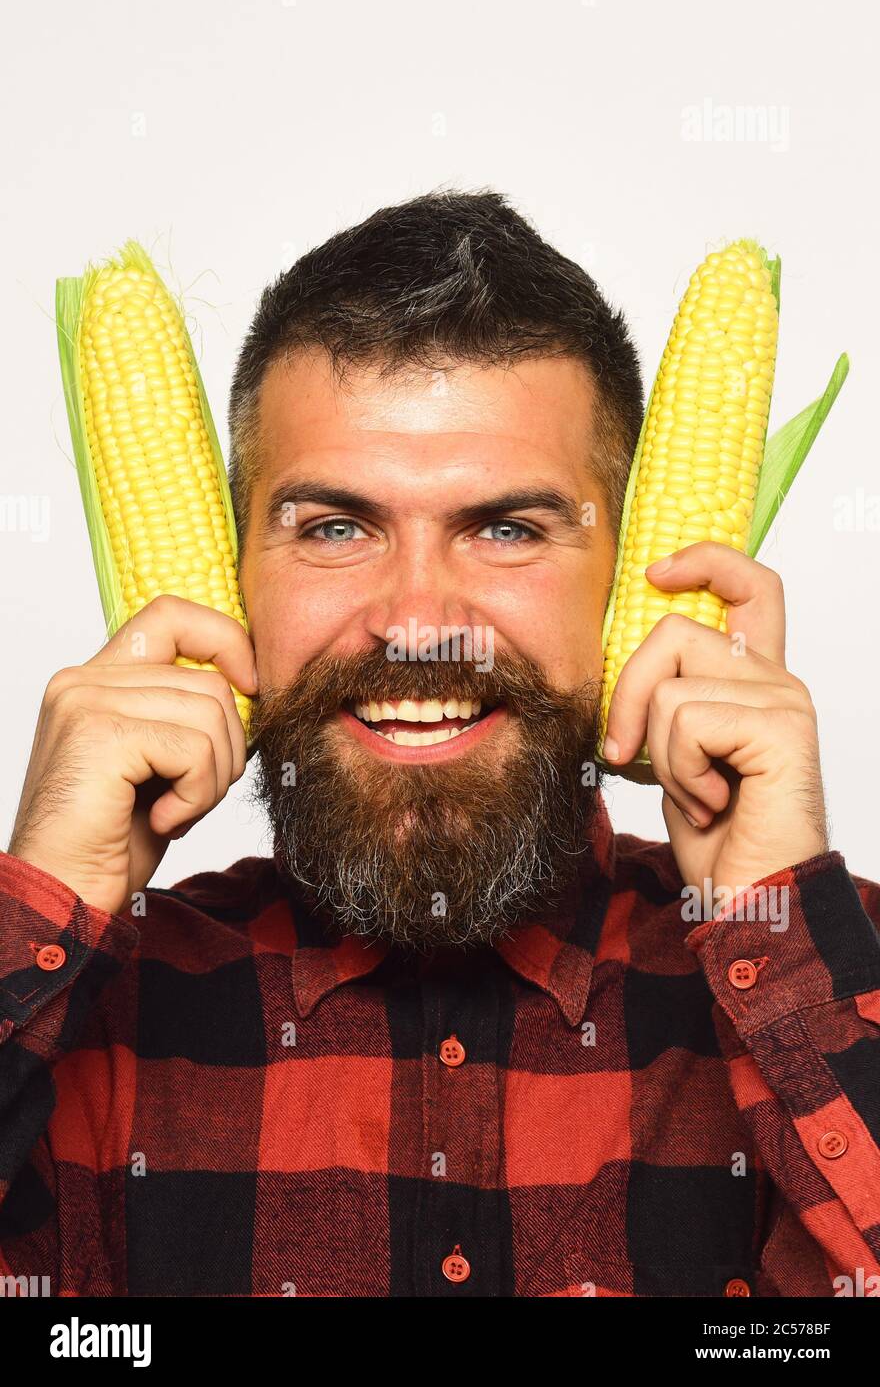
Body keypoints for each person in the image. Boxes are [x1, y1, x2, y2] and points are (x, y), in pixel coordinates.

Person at [2, 190, 878, 1298]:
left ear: (631, 580)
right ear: (228, 581)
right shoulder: (84, 1021)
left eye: (507, 528)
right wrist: (41, 899)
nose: (417, 621)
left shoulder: (840, 978)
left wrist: (776, 924)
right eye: (333, 527)